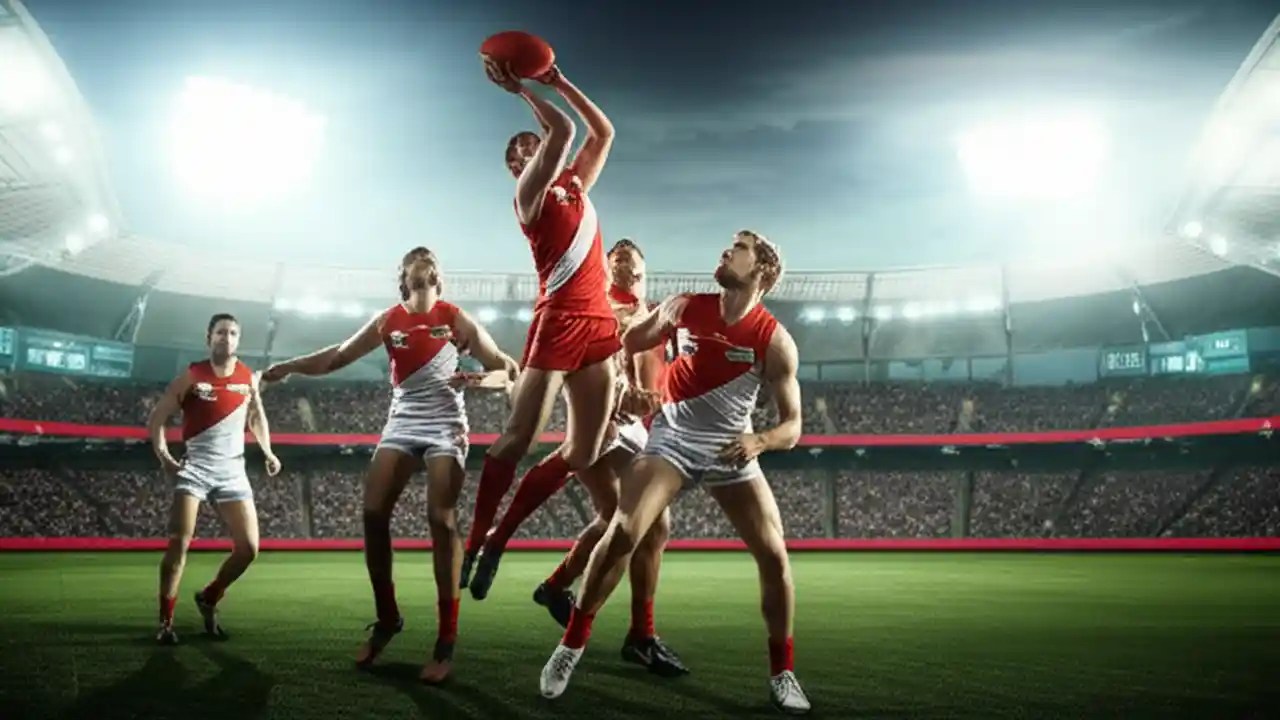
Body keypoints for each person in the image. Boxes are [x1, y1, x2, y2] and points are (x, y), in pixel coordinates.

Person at [538, 231, 813, 715]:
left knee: (774, 557)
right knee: (624, 530)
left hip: (731, 448)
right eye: (727, 244)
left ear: (762, 271)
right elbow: (628, 339)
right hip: (673, 440)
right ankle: (570, 648)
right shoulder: (683, 307)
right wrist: (621, 375)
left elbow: (792, 427)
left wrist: (759, 440)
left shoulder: (775, 340)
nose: (726, 250)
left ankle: (782, 673)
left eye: (740, 247)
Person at [262, 247, 518, 684]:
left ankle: (446, 638)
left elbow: (507, 369)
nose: (422, 267)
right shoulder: (388, 321)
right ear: (403, 278)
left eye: (430, 265)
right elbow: (337, 355)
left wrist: (477, 380)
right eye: (413, 267)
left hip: (444, 423)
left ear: (438, 275)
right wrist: (288, 367)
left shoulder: (456, 318)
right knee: (373, 513)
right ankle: (387, 619)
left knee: (440, 518)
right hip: (403, 421)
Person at [470, 238, 689, 677]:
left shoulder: (659, 312)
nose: (621, 259)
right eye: (614, 257)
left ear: (645, 267)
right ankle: (639, 635)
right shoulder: (603, 307)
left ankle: (555, 588)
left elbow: (670, 370)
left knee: (622, 520)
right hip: (607, 416)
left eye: (629, 256)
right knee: (642, 518)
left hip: (639, 427)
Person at [461, 56, 621, 591]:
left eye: (532, 143)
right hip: (558, 319)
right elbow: (566, 128)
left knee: (584, 451)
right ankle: (476, 537)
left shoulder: (575, 185)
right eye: (520, 151)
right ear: (515, 169)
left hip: (599, 324)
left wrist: (557, 80)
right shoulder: (528, 198)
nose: (529, 148)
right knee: (518, 437)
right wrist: (523, 90)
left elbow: (602, 130)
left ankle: (498, 540)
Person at [150, 313, 281, 645]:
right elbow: (157, 417)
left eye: (233, 332)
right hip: (195, 468)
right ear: (209, 338)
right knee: (180, 542)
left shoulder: (247, 377)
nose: (227, 337)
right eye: (221, 332)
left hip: (232, 471)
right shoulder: (193, 376)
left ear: (238, 339)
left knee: (249, 548)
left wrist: (268, 451)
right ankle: (166, 623)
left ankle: (209, 597)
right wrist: (165, 457)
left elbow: (256, 415)